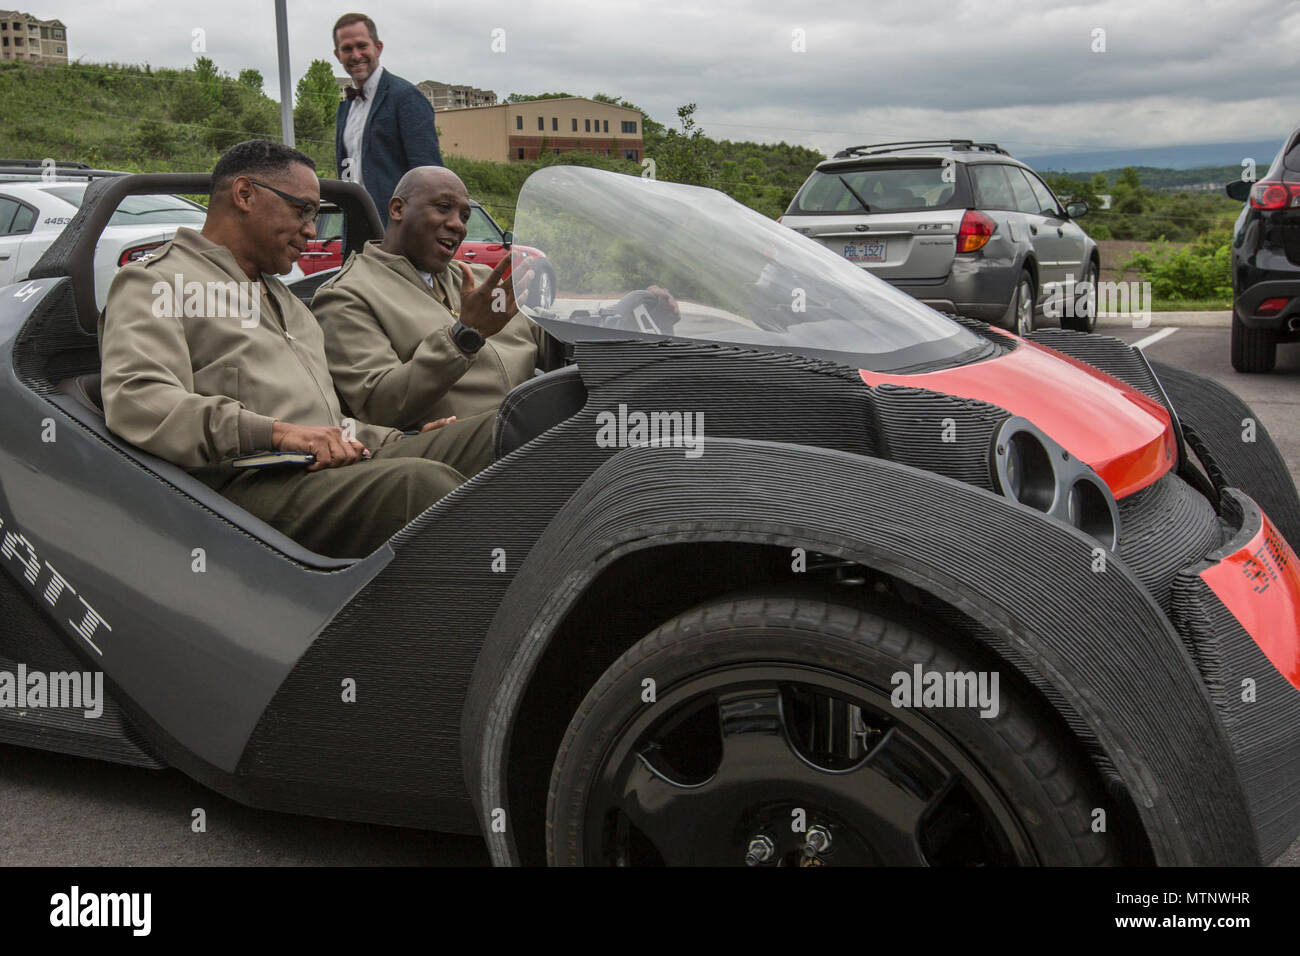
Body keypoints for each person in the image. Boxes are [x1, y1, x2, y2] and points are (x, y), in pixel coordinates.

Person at [98, 140, 495, 559]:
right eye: (302, 211)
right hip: (244, 487)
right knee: (420, 486)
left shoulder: (287, 302)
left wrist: (399, 438)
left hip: (325, 466)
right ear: (245, 195)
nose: (311, 229)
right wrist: (280, 434)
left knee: (496, 430)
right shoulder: (157, 283)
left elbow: (326, 422)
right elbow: (139, 401)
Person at [312, 166, 548, 430]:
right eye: (443, 207)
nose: (458, 224)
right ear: (398, 209)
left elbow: (545, 340)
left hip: (538, 425)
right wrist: (464, 337)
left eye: (465, 216)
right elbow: (379, 405)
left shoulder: (481, 278)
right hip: (458, 447)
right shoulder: (348, 295)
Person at [333, 12, 443, 224]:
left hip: (399, 230)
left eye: (362, 46)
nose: (355, 55)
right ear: (338, 55)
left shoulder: (406, 97)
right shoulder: (345, 108)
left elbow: (430, 176)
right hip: (355, 228)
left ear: (378, 47)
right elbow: (345, 172)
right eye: (347, 48)